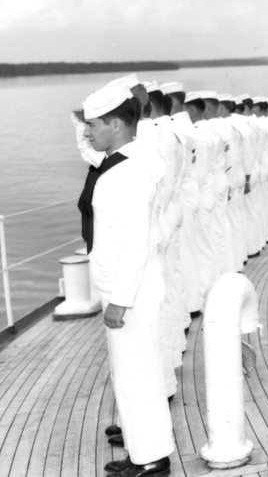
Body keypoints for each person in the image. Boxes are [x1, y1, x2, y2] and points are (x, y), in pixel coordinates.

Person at [76, 85, 174, 477]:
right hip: (123, 286)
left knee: (138, 377)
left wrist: (119, 299)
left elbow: (135, 246)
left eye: (94, 125)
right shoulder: (123, 160)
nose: (88, 133)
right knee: (132, 375)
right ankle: (143, 447)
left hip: (128, 291)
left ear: (116, 124)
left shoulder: (128, 174)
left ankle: (150, 459)